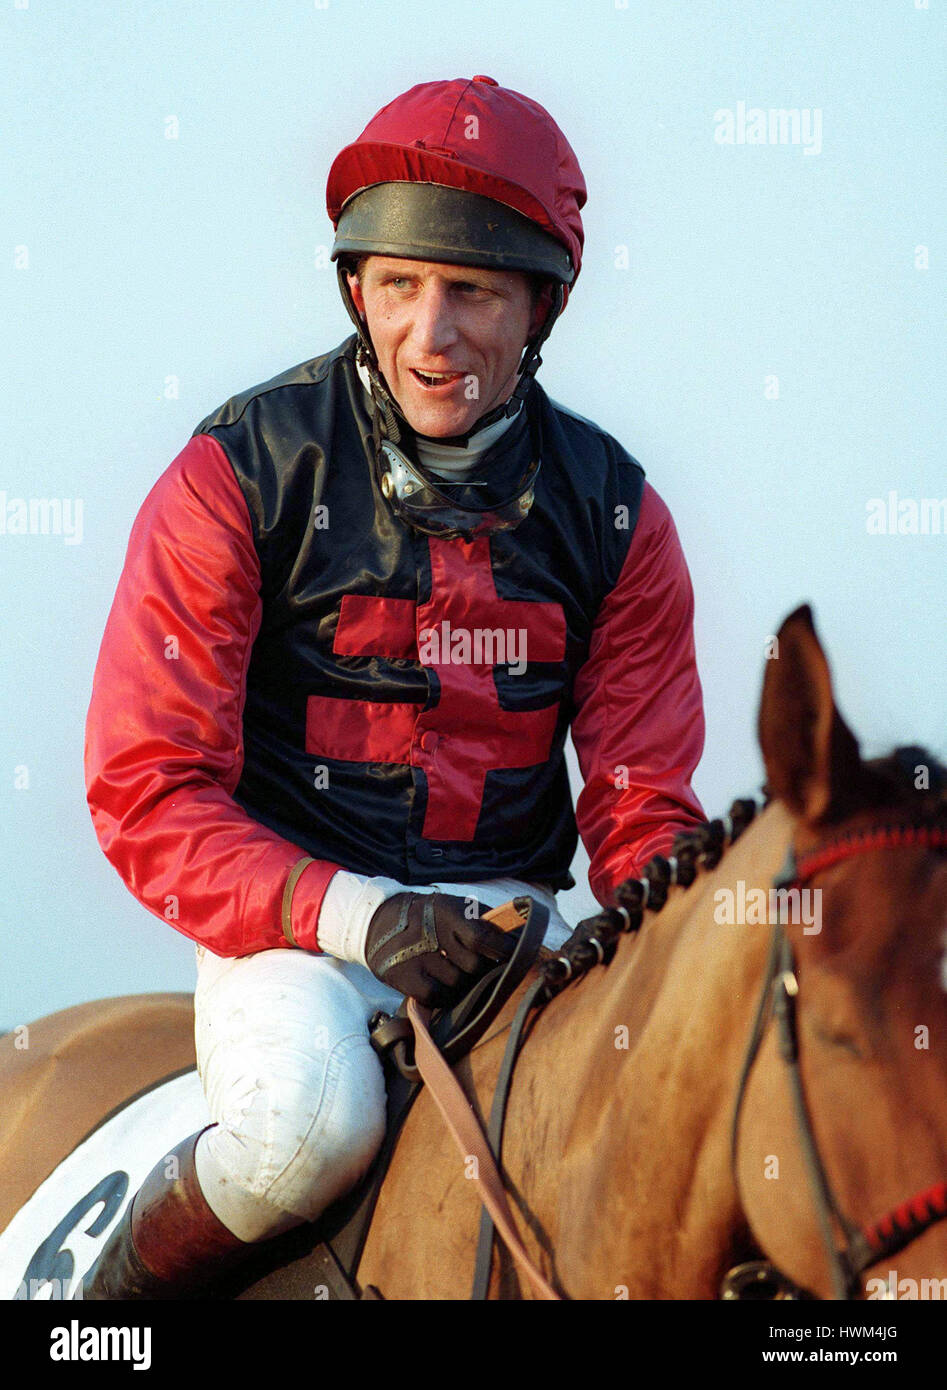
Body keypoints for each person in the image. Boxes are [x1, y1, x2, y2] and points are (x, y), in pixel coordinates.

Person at [80, 75, 705, 1299]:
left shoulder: (618, 515)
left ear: (540, 307)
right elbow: (148, 790)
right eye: (399, 286)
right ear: (354, 287)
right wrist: (360, 915)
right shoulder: (232, 477)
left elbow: (640, 813)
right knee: (305, 1131)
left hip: (512, 928)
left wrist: (669, 961)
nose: (430, 335)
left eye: (470, 291)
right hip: (292, 933)